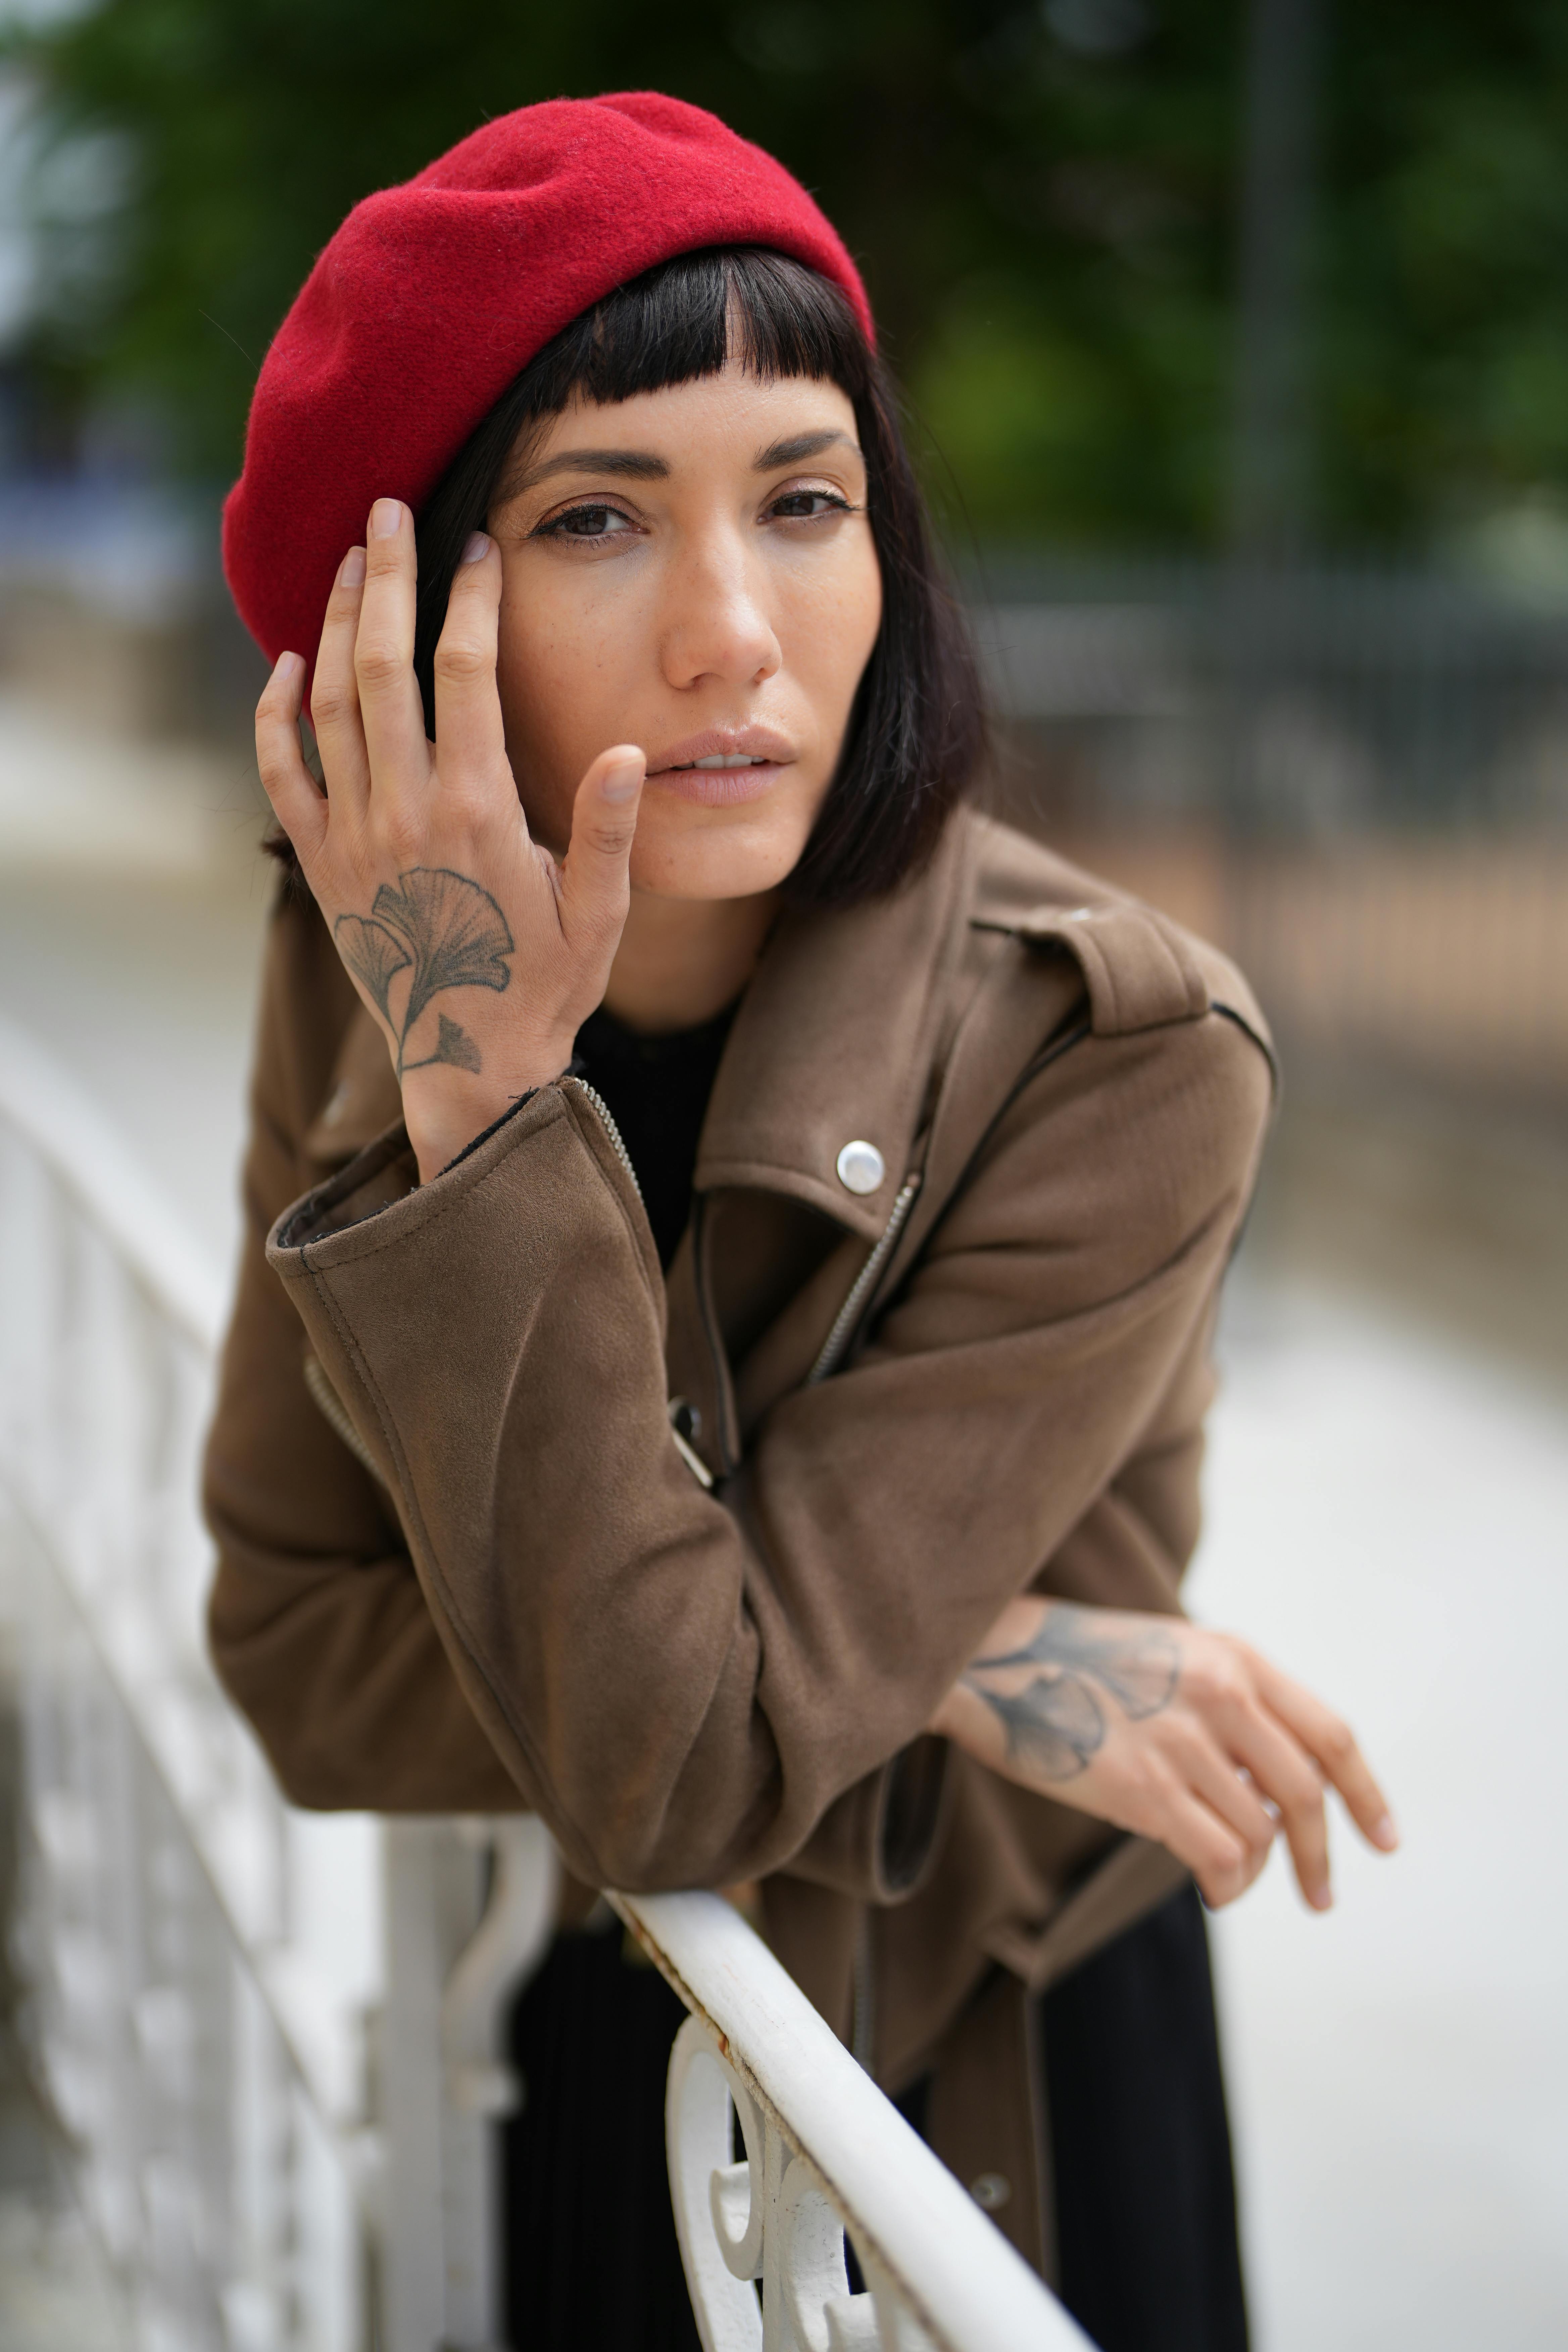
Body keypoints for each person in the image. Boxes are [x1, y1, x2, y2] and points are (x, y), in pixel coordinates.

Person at [204, 93, 1397, 2352]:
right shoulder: (383, 950)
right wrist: (944, 1666)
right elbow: (290, 1655)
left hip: (967, 2100)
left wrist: (767, 1673)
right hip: (611, 2038)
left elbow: (665, 1762)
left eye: (807, 500)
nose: (736, 633)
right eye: (595, 519)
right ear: (402, 630)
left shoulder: (1114, 1051)